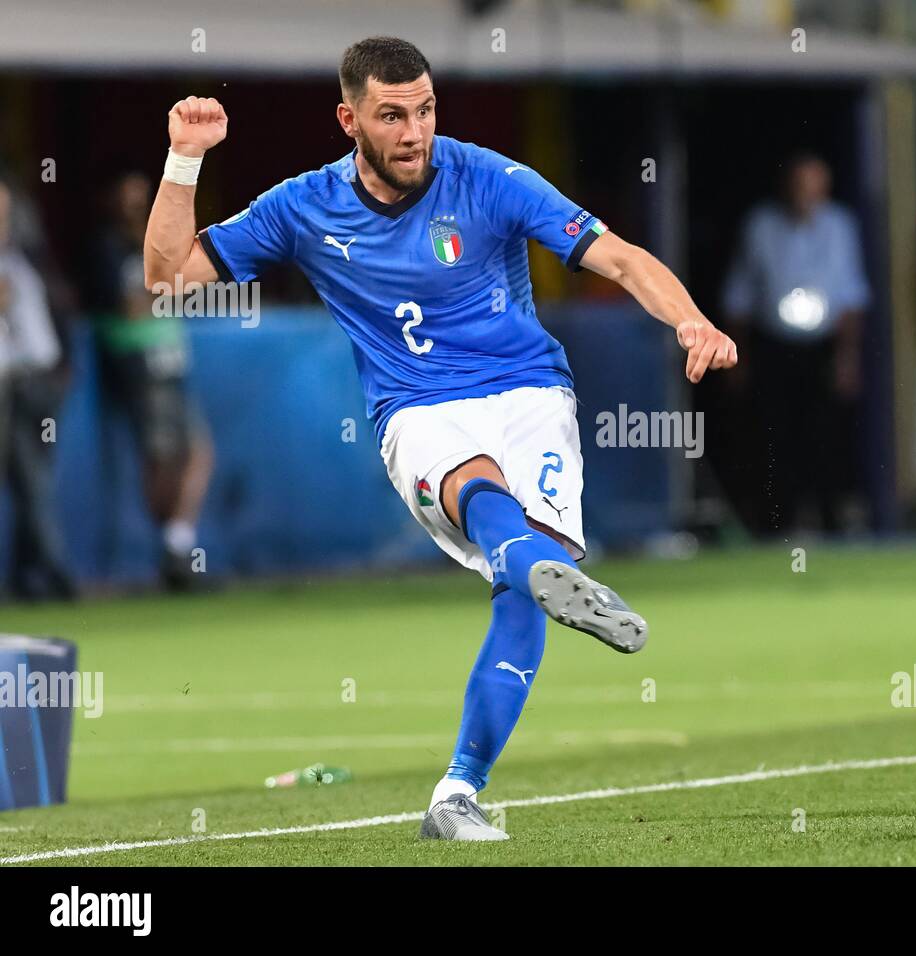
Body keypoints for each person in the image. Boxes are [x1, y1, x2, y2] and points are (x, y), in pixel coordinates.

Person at [142, 37, 736, 840]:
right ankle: (533, 563)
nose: (414, 131)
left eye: (425, 110)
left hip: (530, 393)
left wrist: (691, 319)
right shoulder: (304, 206)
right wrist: (184, 161)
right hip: (417, 408)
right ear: (350, 120)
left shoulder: (488, 178)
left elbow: (622, 260)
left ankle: (456, 795)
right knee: (493, 506)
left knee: (520, 596)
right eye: (392, 116)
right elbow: (169, 277)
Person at [722, 154, 869, 534]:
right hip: (773, 344)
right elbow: (740, 294)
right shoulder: (761, 225)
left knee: (826, 433)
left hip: (824, 344)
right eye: (799, 184)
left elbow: (852, 294)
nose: (806, 194)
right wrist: (739, 357)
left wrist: (847, 357)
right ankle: (777, 522)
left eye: (814, 185)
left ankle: (831, 519)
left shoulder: (840, 226)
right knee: (774, 432)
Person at [88, 171, 213, 590]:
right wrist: (165, 290)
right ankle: (171, 547)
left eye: (140, 198)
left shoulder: (154, 243)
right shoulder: (104, 248)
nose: (134, 207)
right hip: (137, 363)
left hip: (171, 359)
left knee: (196, 451)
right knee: (160, 458)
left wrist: (167, 288)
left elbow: (178, 285)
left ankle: (177, 543)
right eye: (127, 198)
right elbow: (128, 306)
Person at [0, 179, 76, 600]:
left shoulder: (26, 258)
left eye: (6, 209)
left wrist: (64, 365)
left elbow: (57, 307)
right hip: (7, 384)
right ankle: (57, 573)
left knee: (37, 478)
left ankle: (25, 576)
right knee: (30, 479)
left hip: (42, 381)